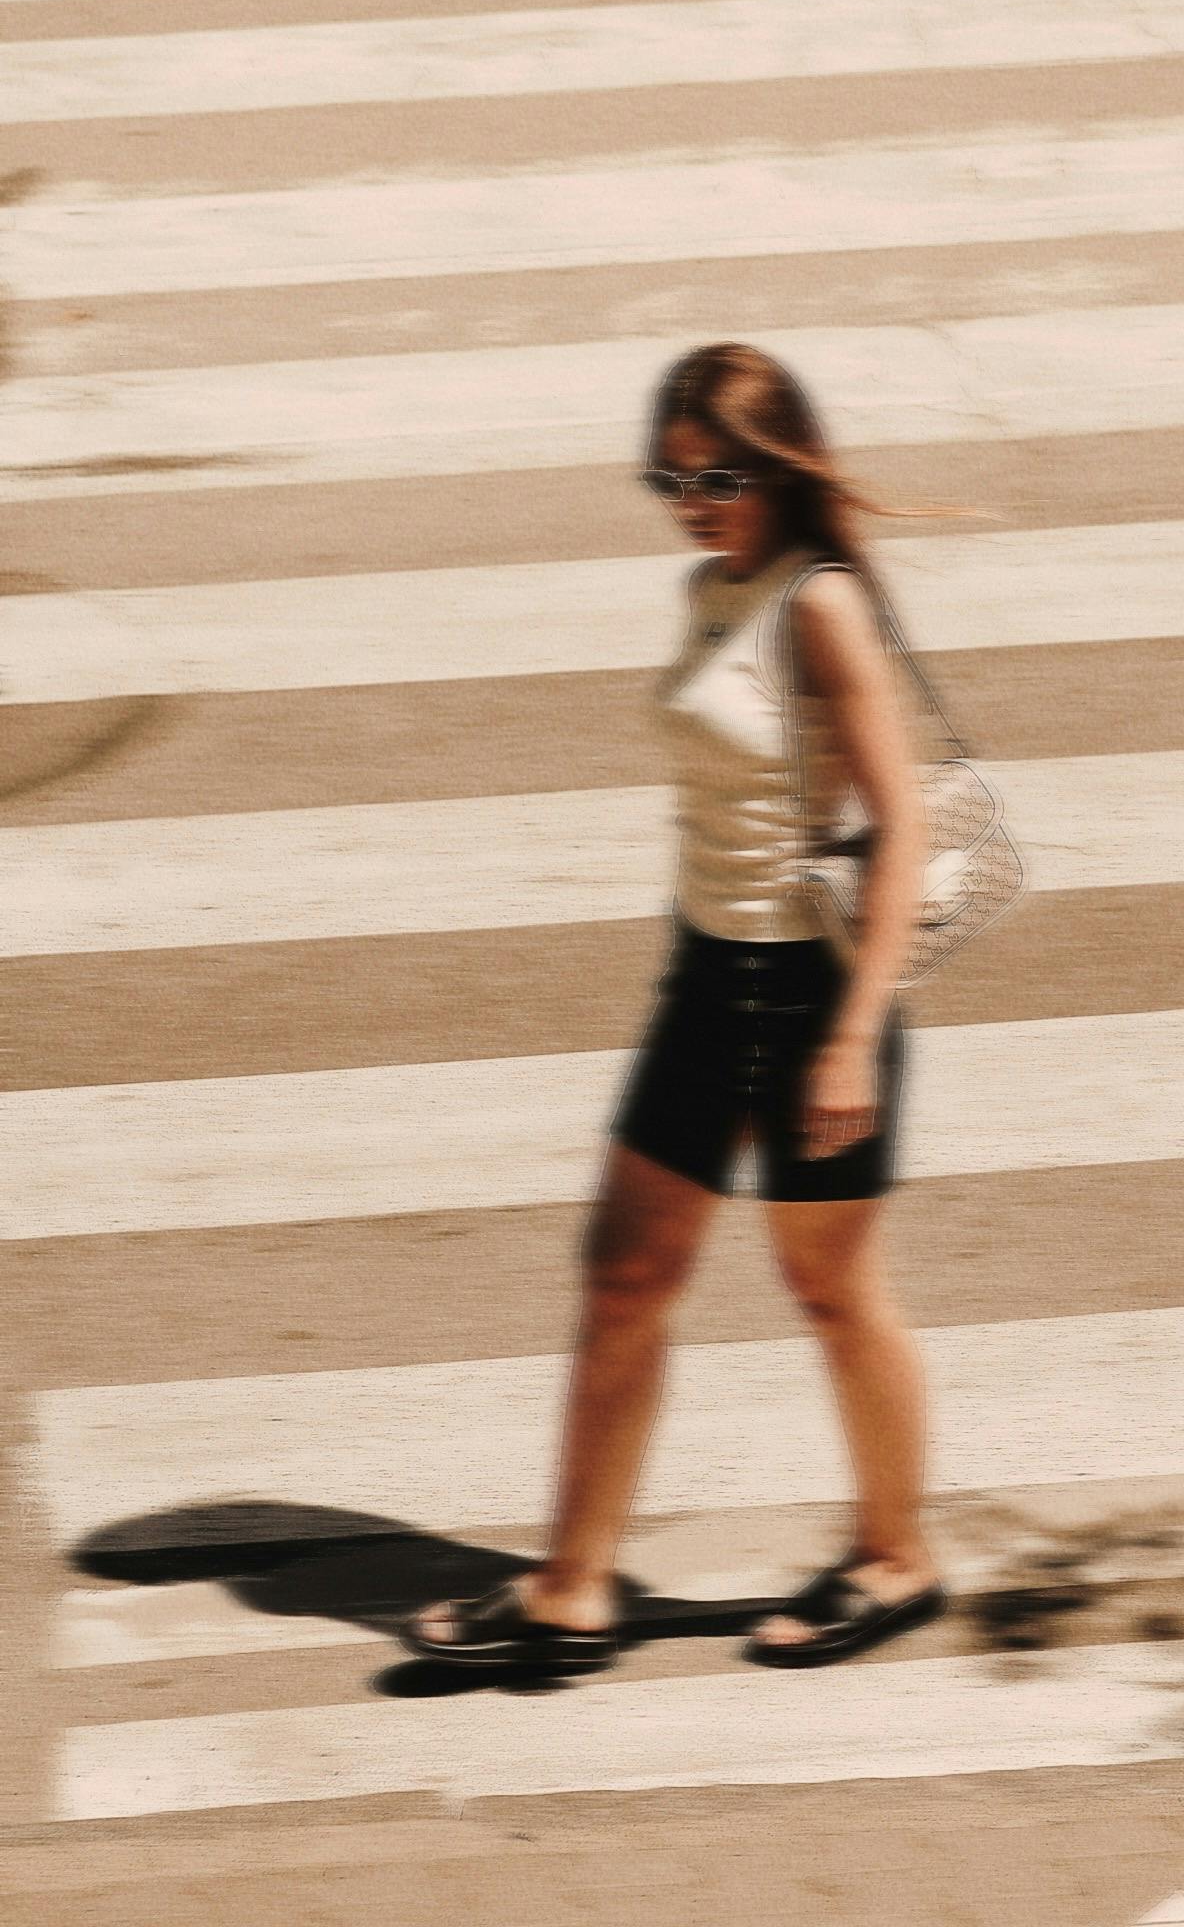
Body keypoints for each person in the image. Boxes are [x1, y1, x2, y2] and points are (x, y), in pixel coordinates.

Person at [408, 341, 946, 1672]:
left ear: (778, 470)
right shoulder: (710, 587)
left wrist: (847, 1041)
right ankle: (573, 1585)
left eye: (720, 476)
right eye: (668, 476)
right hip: (704, 975)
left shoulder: (819, 606)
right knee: (622, 1276)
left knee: (827, 1286)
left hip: (807, 988)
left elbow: (905, 828)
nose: (693, 500)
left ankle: (895, 1554)